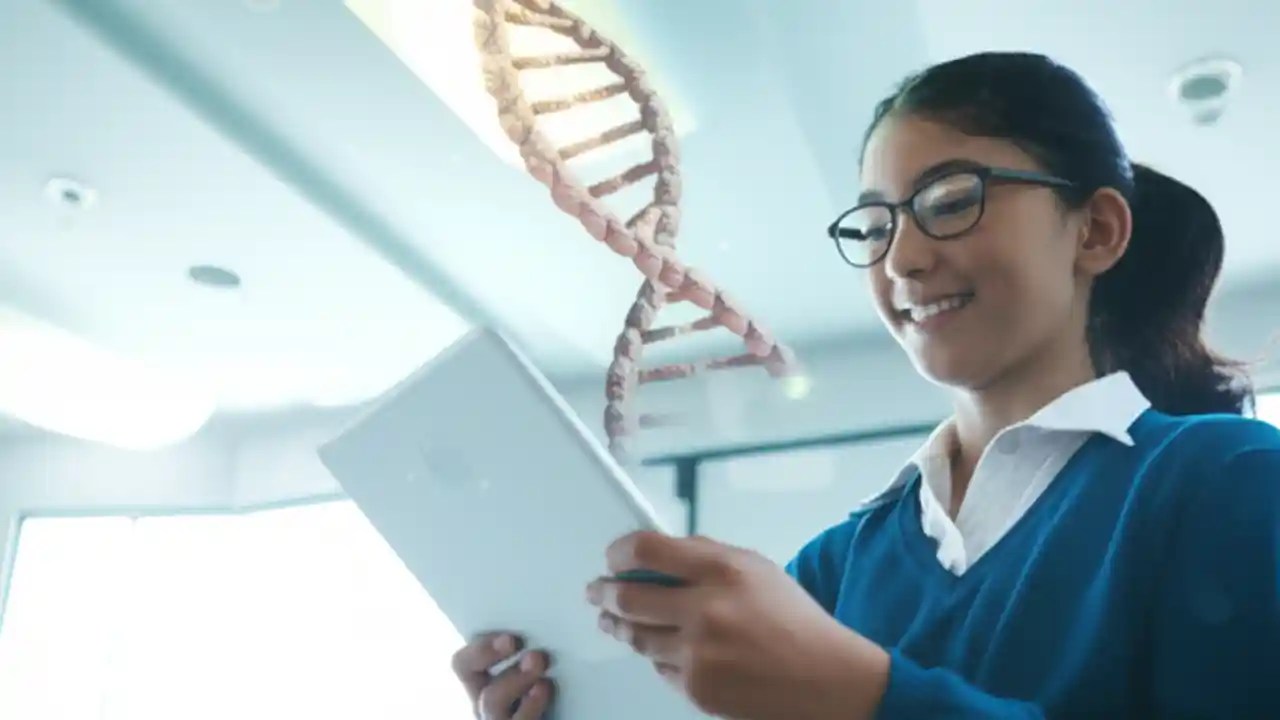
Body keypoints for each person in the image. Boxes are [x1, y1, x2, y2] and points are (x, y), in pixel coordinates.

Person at [450, 51, 1280, 719]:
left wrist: (866, 698)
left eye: (952, 200)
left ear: (1095, 229)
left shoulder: (1225, 478)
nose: (903, 259)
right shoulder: (830, 571)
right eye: (876, 224)